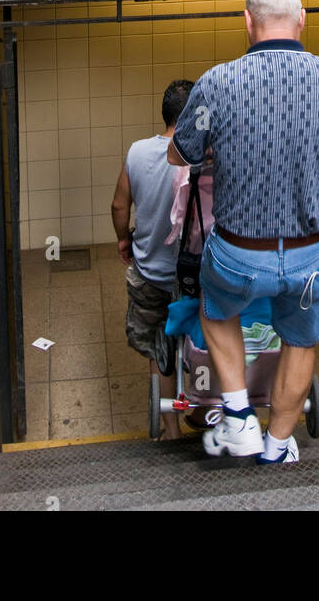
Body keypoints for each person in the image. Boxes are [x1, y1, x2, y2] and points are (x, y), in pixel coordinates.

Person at [168, 0, 319, 464]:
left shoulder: (217, 82)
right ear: (302, 18)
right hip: (312, 255)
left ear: (247, 20)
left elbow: (179, 155)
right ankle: (277, 446)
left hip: (238, 254)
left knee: (217, 312)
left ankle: (238, 420)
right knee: (300, 342)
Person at [110, 78, 195, 441]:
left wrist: (123, 239)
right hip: (195, 277)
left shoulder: (137, 152)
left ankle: (170, 428)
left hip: (150, 274)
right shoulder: (205, 156)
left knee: (159, 350)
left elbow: (118, 205)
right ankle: (210, 410)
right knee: (208, 341)